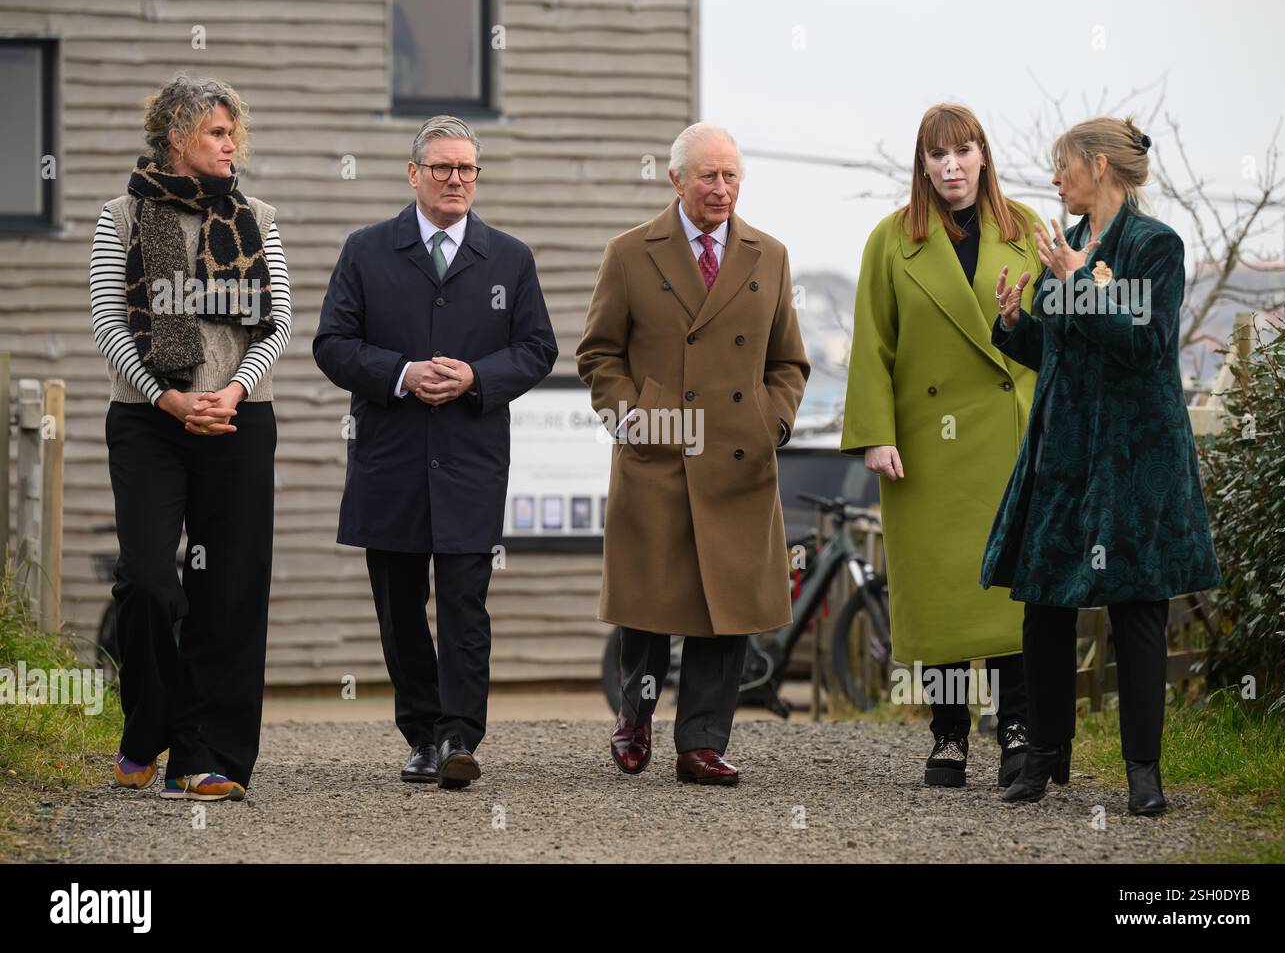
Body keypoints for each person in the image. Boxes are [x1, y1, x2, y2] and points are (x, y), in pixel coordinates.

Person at [985, 116, 1221, 815]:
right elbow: (1059, 353)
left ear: (1097, 166)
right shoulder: (1069, 244)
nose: (1056, 180)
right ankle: (1043, 758)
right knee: (1045, 604)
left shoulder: (1156, 246)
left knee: (1138, 610)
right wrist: (1013, 326)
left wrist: (1077, 281)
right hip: (1061, 453)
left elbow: (1142, 344)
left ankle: (1143, 775)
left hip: (1133, 458)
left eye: (1063, 166)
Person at [313, 116, 557, 789]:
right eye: (444, 168)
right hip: (389, 458)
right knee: (399, 606)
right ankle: (420, 733)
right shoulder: (366, 251)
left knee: (463, 603)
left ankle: (458, 735)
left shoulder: (510, 258)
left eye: (468, 169)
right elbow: (331, 343)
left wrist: (478, 377)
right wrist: (402, 373)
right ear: (413, 173)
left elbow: (539, 348)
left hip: (471, 458)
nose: (457, 179)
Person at [577, 123, 809, 786]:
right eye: (708, 175)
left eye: (731, 175)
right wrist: (635, 419)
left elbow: (789, 361)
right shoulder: (629, 253)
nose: (721, 188)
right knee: (650, 609)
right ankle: (635, 718)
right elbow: (598, 353)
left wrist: (772, 423)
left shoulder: (770, 255)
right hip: (658, 456)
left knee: (725, 613)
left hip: (739, 461)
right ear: (675, 179)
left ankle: (702, 744)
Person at [92, 75, 291, 801]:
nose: (230, 142)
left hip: (239, 419)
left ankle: (207, 757)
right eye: (216, 132)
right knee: (147, 581)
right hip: (148, 421)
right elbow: (110, 324)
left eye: (233, 131)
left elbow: (278, 324)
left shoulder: (257, 217)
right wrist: (171, 399)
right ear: (176, 137)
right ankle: (147, 728)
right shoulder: (120, 217)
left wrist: (231, 391)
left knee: (230, 589)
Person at [841, 104, 1044, 788]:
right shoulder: (890, 240)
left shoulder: (1028, 231)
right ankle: (950, 735)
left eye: (963, 151)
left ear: (983, 155)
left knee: (1013, 588)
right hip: (925, 446)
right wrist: (874, 434)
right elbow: (872, 342)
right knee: (937, 591)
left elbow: (1052, 342)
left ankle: (1017, 729)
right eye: (937, 154)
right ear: (922, 164)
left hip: (1010, 437)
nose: (951, 166)